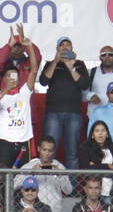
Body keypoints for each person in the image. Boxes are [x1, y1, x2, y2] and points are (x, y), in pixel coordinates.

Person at [38, 36, 90, 170]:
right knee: (49, 151)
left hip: (74, 113)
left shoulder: (79, 64)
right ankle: (49, 181)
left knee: (72, 152)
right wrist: (56, 62)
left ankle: (71, 184)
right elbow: (43, 81)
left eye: (68, 44)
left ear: (72, 48)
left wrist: (71, 67)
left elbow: (84, 84)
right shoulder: (50, 63)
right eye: (62, 44)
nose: (65, 46)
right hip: (53, 113)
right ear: (57, 48)